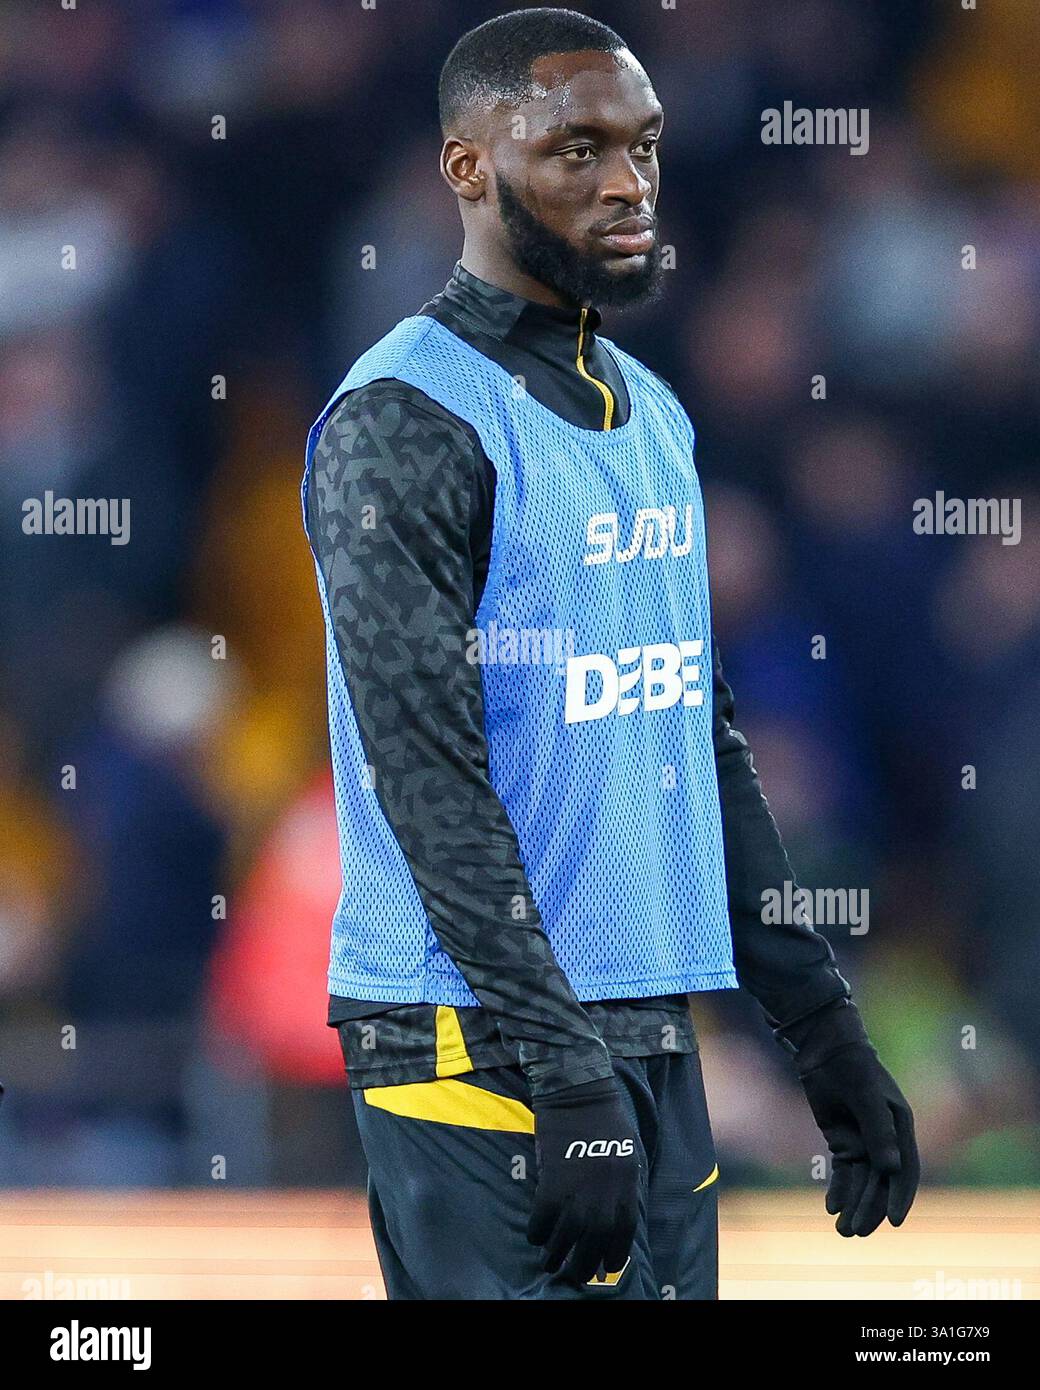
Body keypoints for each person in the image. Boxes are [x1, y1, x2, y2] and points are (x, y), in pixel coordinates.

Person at [301, 7, 919, 1300]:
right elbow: (429, 781)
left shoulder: (657, 417)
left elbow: (701, 735)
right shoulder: (400, 420)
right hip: (470, 1036)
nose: (629, 181)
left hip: (644, 1021)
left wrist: (821, 1027)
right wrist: (560, 1061)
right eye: (576, 150)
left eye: (641, 145)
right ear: (469, 168)